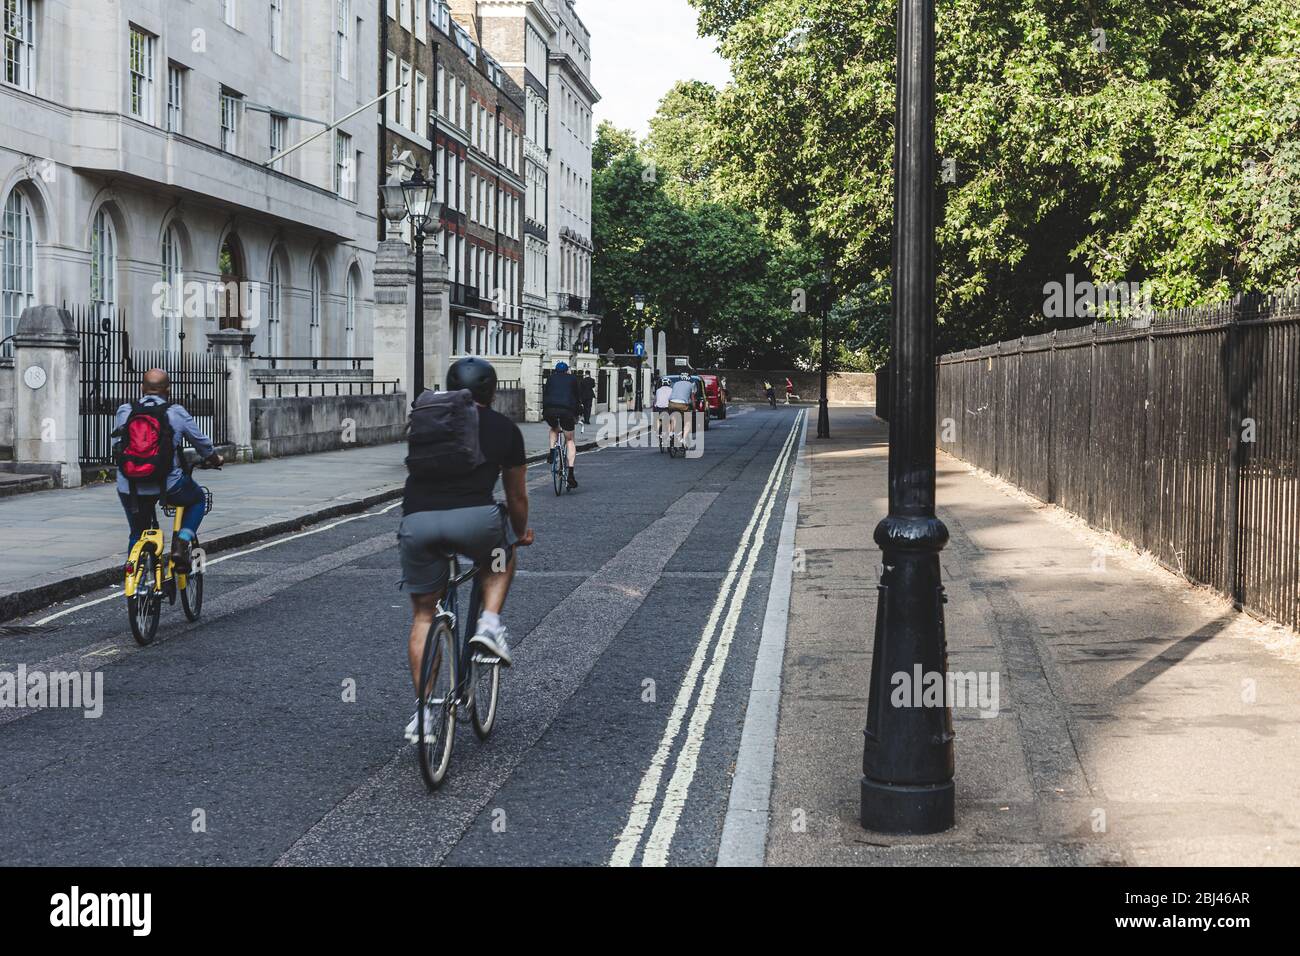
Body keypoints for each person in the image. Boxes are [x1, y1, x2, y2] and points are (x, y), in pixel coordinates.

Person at [399, 357, 534, 742]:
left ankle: (424, 716)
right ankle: (489, 624)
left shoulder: (427, 421)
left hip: (417, 522)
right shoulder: (505, 429)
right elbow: (516, 495)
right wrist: (519, 533)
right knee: (500, 557)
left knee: (424, 614)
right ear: (492, 391)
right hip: (476, 523)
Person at [114, 368, 223, 574]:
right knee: (198, 498)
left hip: (130, 485)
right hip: (169, 484)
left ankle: (134, 582)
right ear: (169, 390)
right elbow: (202, 444)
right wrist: (215, 458)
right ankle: (181, 542)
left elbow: (117, 446)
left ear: (142, 388)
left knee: (137, 532)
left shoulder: (125, 410)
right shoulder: (176, 411)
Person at [542, 360, 581, 489]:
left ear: (555, 370)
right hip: (567, 411)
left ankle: (552, 452)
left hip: (550, 410)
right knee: (569, 440)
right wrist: (578, 413)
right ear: (567, 371)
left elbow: (545, 394)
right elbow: (576, 397)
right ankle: (570, 474)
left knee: (554, 428)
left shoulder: (550, 379)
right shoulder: (572, 379)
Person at [667, 372, 697, 447]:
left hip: (672, 403)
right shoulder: (691, 385)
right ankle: (683, 439)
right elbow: (692, 398)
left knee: (673, 417)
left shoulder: (675, 384)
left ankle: (671, 433)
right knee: (688, 421)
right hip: (683, 404)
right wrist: (694, 408)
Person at [653, 376, 673, 446]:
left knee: (659, 419)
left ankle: (657, 432)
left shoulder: (658, 390)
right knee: (670, 421)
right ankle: (669, 434)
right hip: (668, 408)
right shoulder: (671, 390)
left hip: (659, 408)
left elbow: (655, 401)